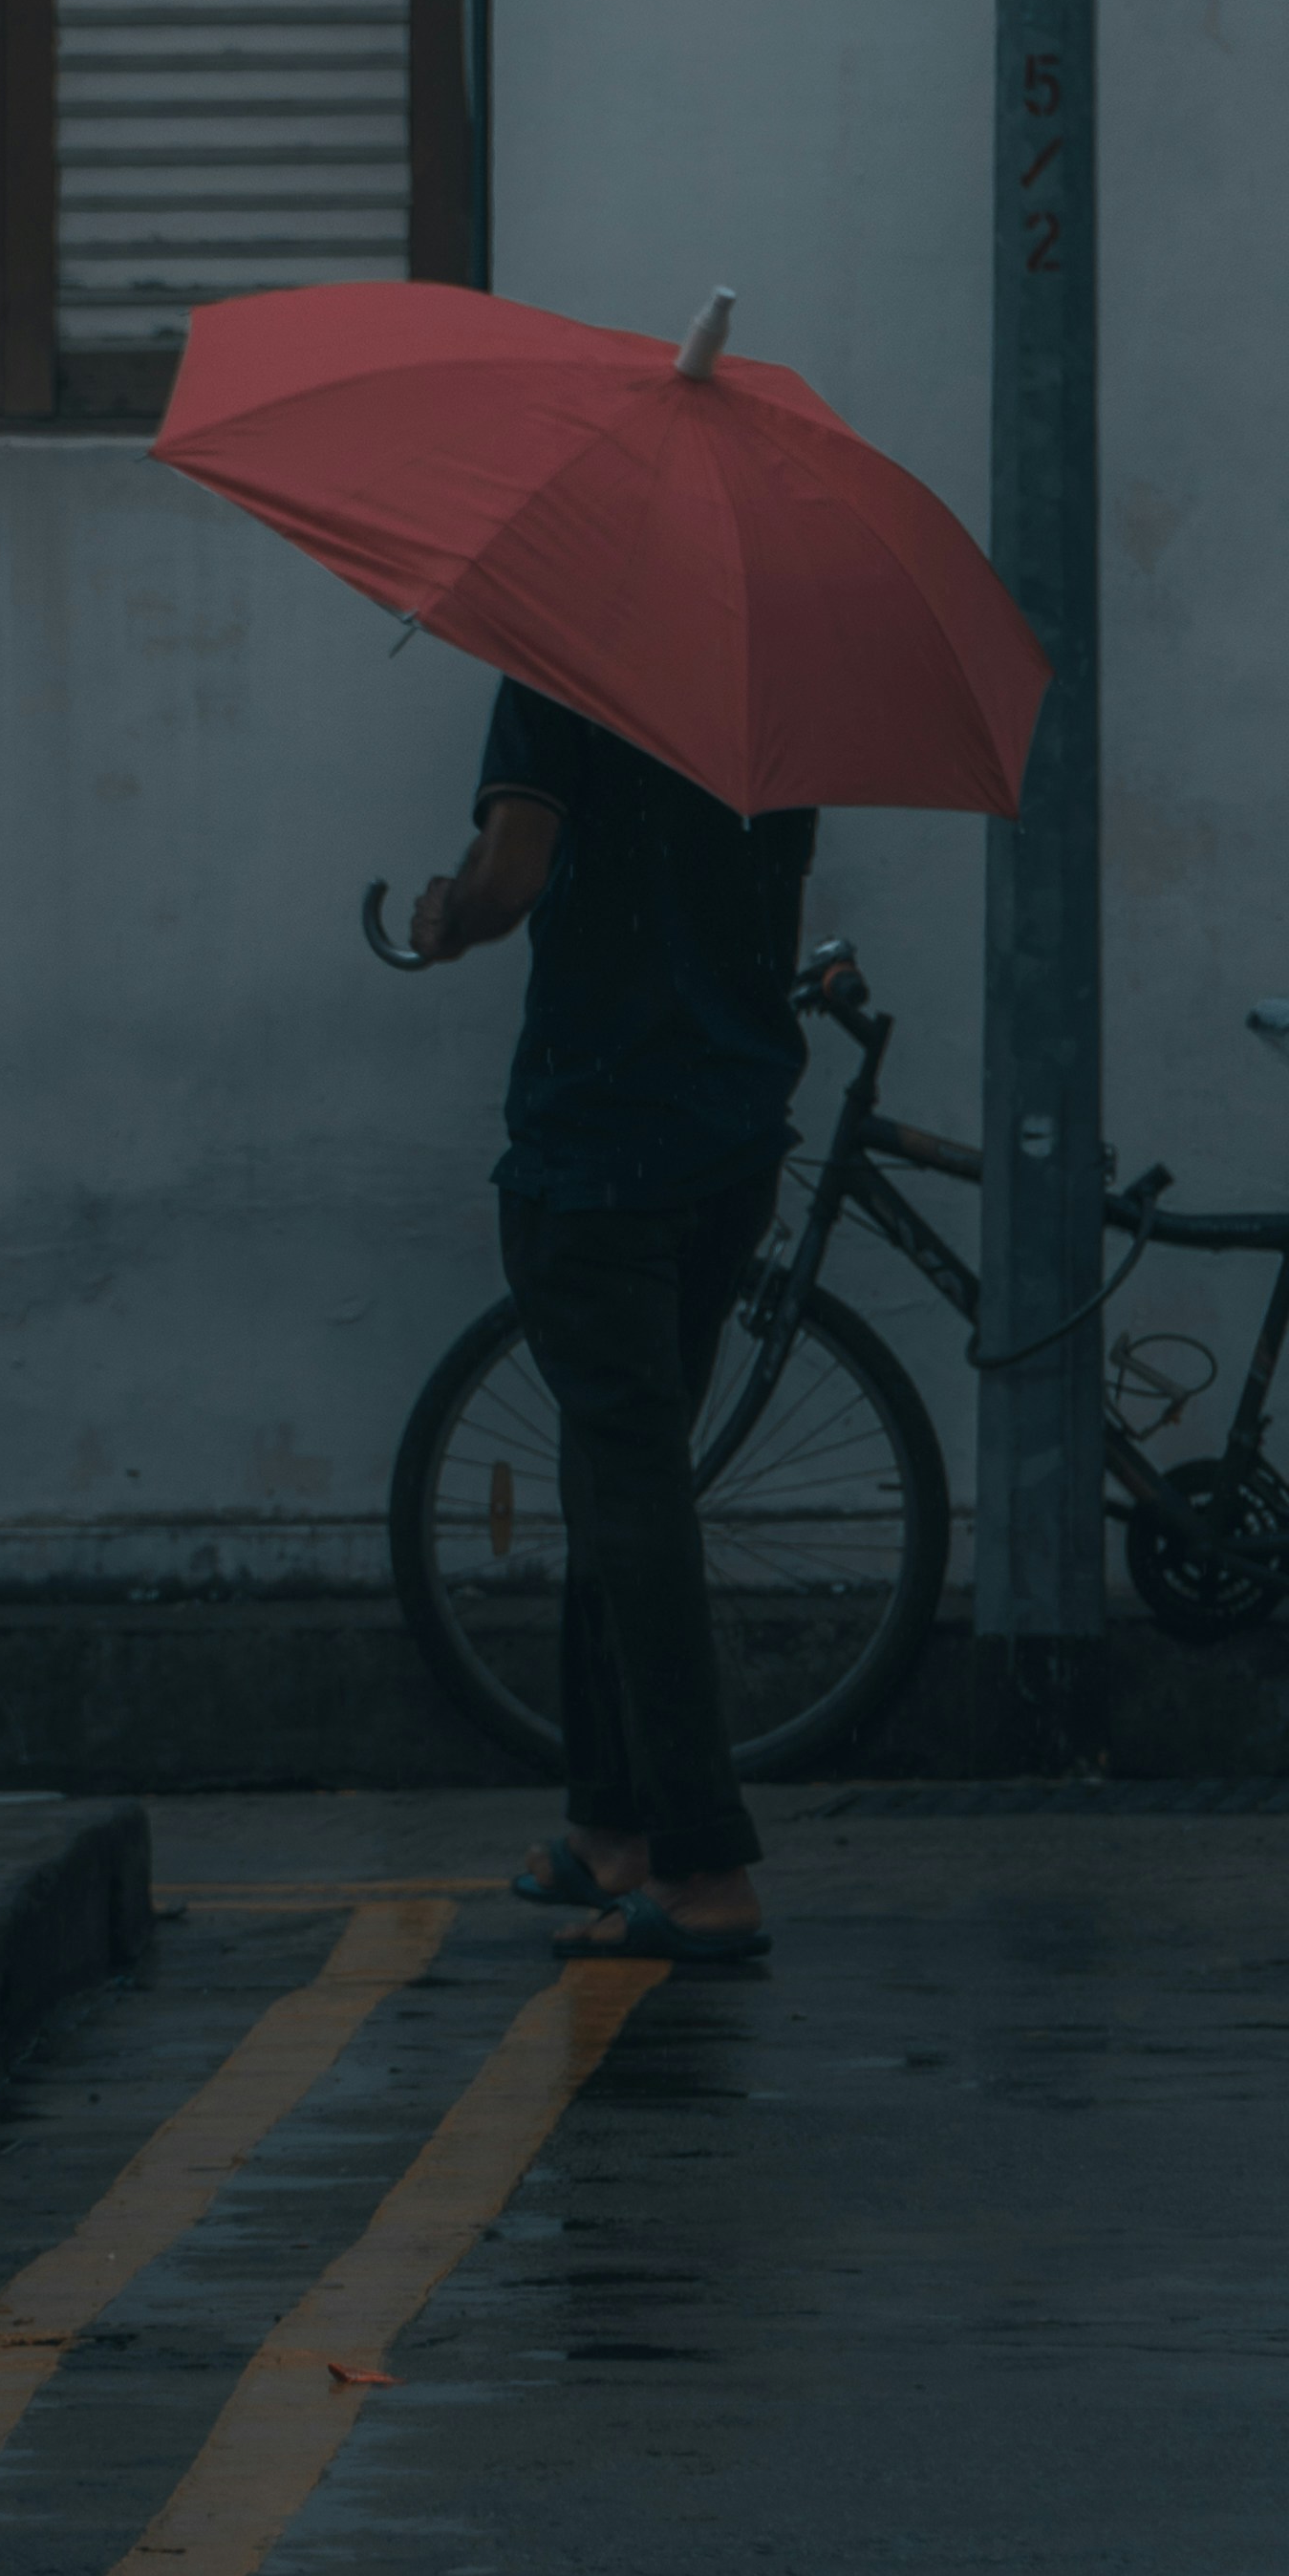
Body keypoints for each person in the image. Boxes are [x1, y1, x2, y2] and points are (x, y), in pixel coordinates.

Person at [407, 678, 816, 1970]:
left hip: (598, 1145)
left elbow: (510, 874)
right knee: (613, 1480)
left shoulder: (559, 666)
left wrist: (445, 914)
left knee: (633, 1503)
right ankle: (610, 1828)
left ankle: (704, 1862)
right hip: (730, 1135)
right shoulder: (775, 690)